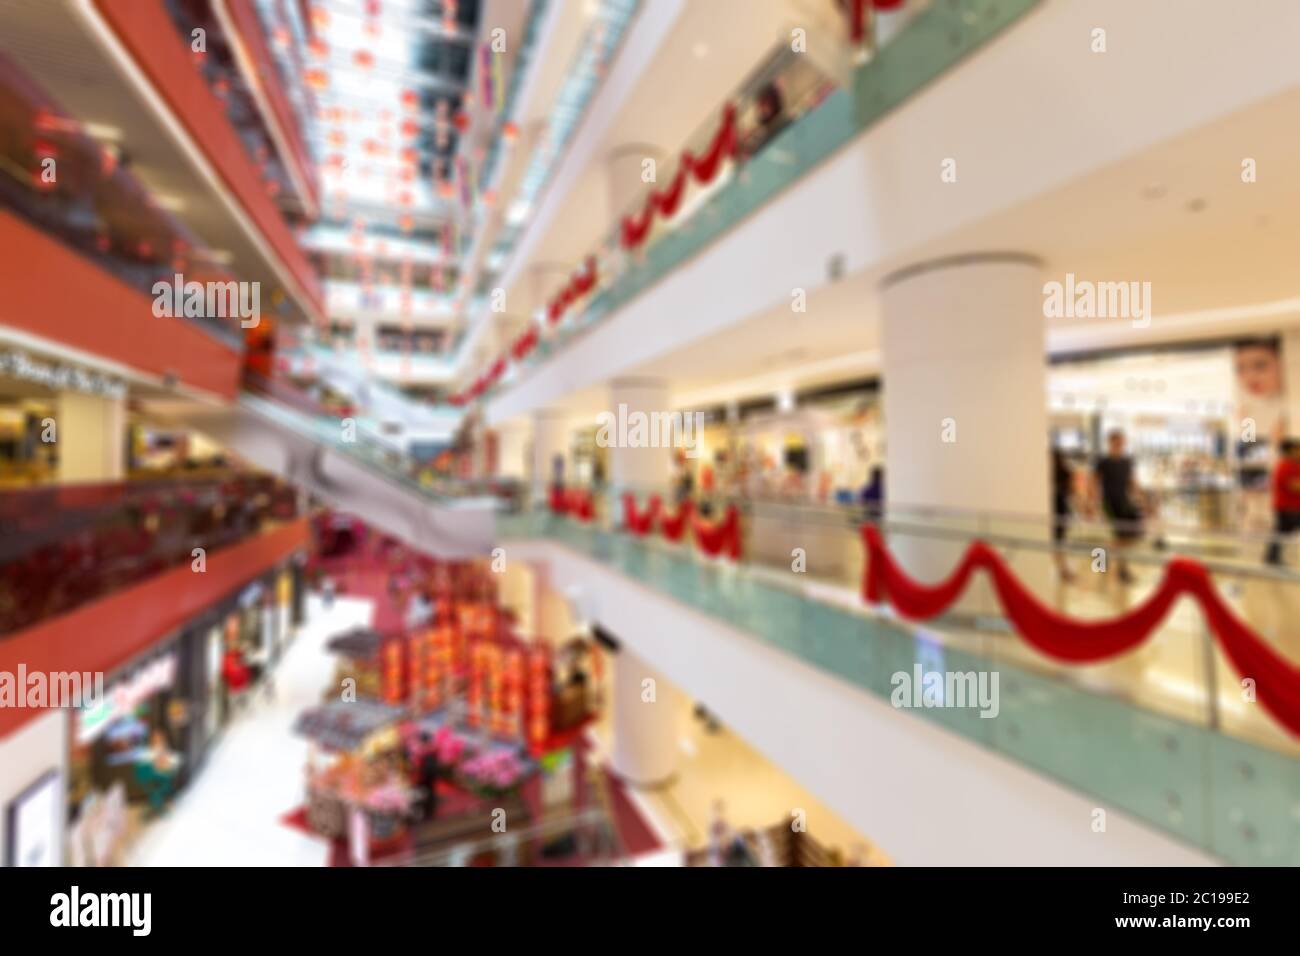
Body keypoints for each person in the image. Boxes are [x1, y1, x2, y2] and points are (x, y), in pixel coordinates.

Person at [1093, 430, 1144, 584]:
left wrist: (1141, 497)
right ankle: (1118, 569)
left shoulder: (1127, 461)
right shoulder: (1103, 461)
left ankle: (1104, 554)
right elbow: (1094, 481)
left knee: (1128, 536)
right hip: (1109, 502)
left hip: (1124, 501)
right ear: (1111, 442)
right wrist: (1092, 502)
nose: (1120, 444)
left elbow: (1132, 481)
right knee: (1119, 536)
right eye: (1117, 441)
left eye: (1122, 441)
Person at [1266, 439, 1300, 564]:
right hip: (1287, 507)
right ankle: (1272, 557)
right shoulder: (1284, 466)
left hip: (1294, 507)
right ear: (1291, 451)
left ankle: (1272, 557)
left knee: (1281, 533)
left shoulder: (1295, 465)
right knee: (1281, 533)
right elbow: (1293, 486)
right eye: (1297, 449)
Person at [1052, 449, 1075, 582]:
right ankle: (1063, 570)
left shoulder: (1063, 473)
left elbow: (1070, 491)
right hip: (1058, 510)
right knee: (1059, 542)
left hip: (1060, 510)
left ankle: (1063, 570)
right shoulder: (1063, 473)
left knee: (1059, 541)